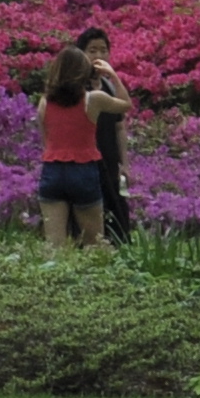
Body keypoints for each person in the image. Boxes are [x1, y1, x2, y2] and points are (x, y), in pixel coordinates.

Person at [33, 41, 126, 251]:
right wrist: (112, 75)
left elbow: (45, 140)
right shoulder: (93, 100)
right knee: (94, 242)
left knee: (54, 246)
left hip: (52, 171)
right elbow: (126, 104)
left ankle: (52, 280)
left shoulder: (45, 102)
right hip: (84, 170)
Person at [79, 28, 134, 236]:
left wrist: (124, 164)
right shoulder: (78, 89)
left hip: (109, 159)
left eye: (103, 50)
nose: (99, 56)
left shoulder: (109, 87)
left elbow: (120, 124)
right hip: (87, 160)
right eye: (92, 50)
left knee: (116, 213)